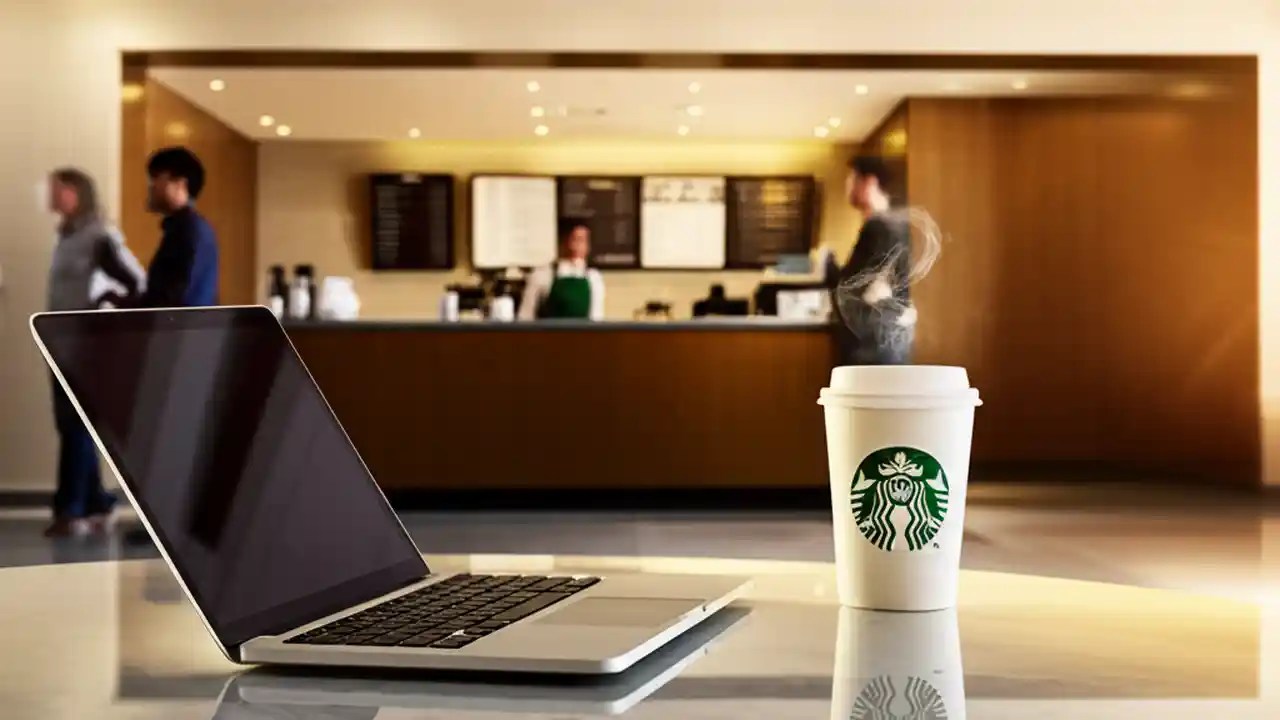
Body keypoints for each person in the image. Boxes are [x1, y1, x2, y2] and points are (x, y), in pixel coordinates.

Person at [44, 168, 146, 537]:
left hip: (87, 346)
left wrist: (104, 304)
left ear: (76, 193)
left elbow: (135, 281)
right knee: (71, 426)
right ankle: (97, 503)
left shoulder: (99, 236)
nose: (50, 194)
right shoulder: (67, 236)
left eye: (57, 189)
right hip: (59, 342)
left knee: (76, 426)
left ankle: (71, 512)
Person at [836, 156, 916, 365]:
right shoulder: (891, 224)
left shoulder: (881, 226)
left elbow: (863, 285)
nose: (847, 186)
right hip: (884, 339)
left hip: (874, 343)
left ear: (868, 182)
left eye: (851, 179)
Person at [141, 146, 219, 307]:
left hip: (180, 330)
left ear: (180, 184)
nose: (151, 186)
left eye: (156, 177)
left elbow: (171, 298)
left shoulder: (187, 231)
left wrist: (124, 304)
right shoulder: (193, 228)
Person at [519, 220, 605, 320]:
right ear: (562, 242)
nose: (575, 246)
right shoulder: (542, 275)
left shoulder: (594, 278)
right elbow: (525, 317)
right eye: (573, 239)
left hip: (582, 335)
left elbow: (596, 318)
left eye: (581, 240)